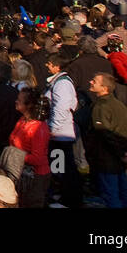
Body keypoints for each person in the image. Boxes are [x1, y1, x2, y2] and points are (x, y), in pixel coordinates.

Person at [87, 73, 127, 208]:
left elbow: (104, 133)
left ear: (104, 88)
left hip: (107, 157)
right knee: (124, 190)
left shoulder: (101, 107)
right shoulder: (118, 105)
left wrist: (120, 152)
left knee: (110, 194)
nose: (91, 82)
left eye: (95, 81)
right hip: (119, 156)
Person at [43, 52, 81, 208]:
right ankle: (64, 195)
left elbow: (62, 108)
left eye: (50, 64)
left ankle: (66, 198)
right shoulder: (59, 82)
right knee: (61, 167)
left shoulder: (62, 84)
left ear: (57, 66)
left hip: (60, 135)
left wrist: (51, 128)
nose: (47, 65)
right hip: (59, 133)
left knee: (61, 169)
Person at [8, 87, 51, 208]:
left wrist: (15, 156)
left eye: (19, 100)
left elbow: (38, 159)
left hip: (35, 177)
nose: (16, 101)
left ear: (29, 105)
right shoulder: (22, 120)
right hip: (22, 173)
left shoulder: (38, 128)